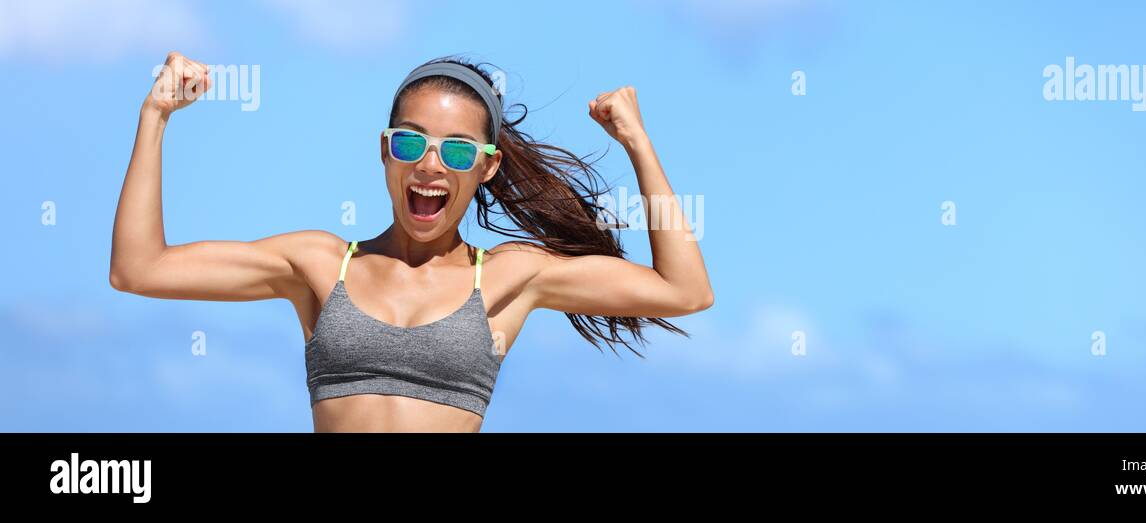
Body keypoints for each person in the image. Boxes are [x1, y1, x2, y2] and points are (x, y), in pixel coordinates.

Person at [109, 52, 713, 432]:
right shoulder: (321, 265)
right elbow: (138, 268)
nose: (429, 164)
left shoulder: (508, 277)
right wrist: (154, 115)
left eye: (456, 150)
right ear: (384, 151)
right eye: (409, 142)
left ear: (487, 168)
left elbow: (685, 290)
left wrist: (637, 142)